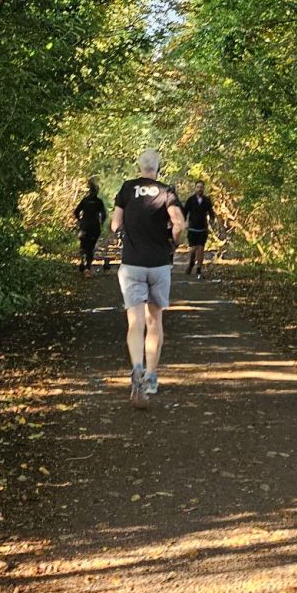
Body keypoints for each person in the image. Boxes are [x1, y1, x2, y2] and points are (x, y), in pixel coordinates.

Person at [111, 150, 185, 409]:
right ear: (158, 167)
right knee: (155, 321)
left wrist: (127, 232)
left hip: (132, 263)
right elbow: (179, 223)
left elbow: (115, 224)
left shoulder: (126, 189)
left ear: (139, 166)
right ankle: (151, 377)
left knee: (135, 322)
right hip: (159, 264)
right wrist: (174, 242)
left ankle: (137, 368)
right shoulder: (166, 191)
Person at [183, 180, 216, 278]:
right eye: (198, 187)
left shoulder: (207, 200)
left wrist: (212, 220)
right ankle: (191, 264)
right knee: (193, 249)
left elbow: (211, 212)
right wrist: (184, 222)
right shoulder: (190, 200)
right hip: (192, 228)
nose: (199, 189)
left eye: (201, 187)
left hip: (203, 228)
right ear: (195, 188)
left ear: (204, 188)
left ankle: (198, 269)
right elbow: (185, 212)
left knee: (201, 249)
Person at [73, 177, 106, 274]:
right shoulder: (99, 202)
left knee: (83, 244)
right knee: (91, 247)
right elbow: (103, 214)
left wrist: (80, 220)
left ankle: (82, 260)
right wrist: (101, 222)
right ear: (97, 192)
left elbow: (76, 212)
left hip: (84, 226)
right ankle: (88, 267)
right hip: (95, 227)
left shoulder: (84, 201)